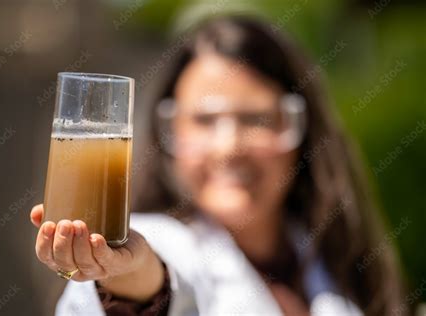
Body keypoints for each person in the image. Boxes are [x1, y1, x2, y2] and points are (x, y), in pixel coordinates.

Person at [30, 15, 405, 315]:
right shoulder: (160, 242)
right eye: (204, 121)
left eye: (256, 119)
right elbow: (154, 282)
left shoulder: (335, 258)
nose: (228, 148)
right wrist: (123, 269)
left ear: (300, 130)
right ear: (168, 133)